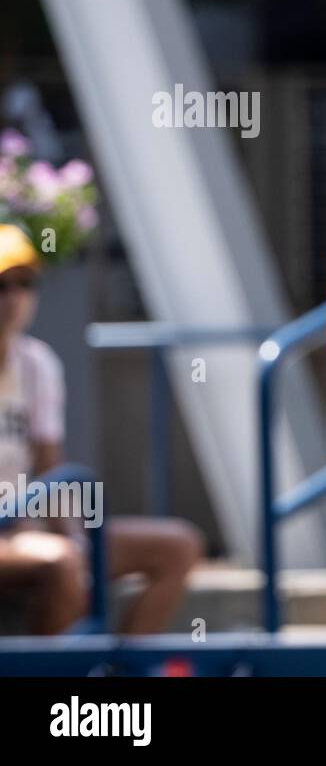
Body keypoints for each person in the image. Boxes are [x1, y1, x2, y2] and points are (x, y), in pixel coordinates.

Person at [0, 225, 203, 634]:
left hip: (23, 529)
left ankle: (114, 675)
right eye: (2, 285)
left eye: (25, 283)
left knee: (178, 546)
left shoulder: (37, 365)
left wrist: (73, 537)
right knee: (60, 561)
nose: (13, 297)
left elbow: (48, 470)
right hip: (15, 533)